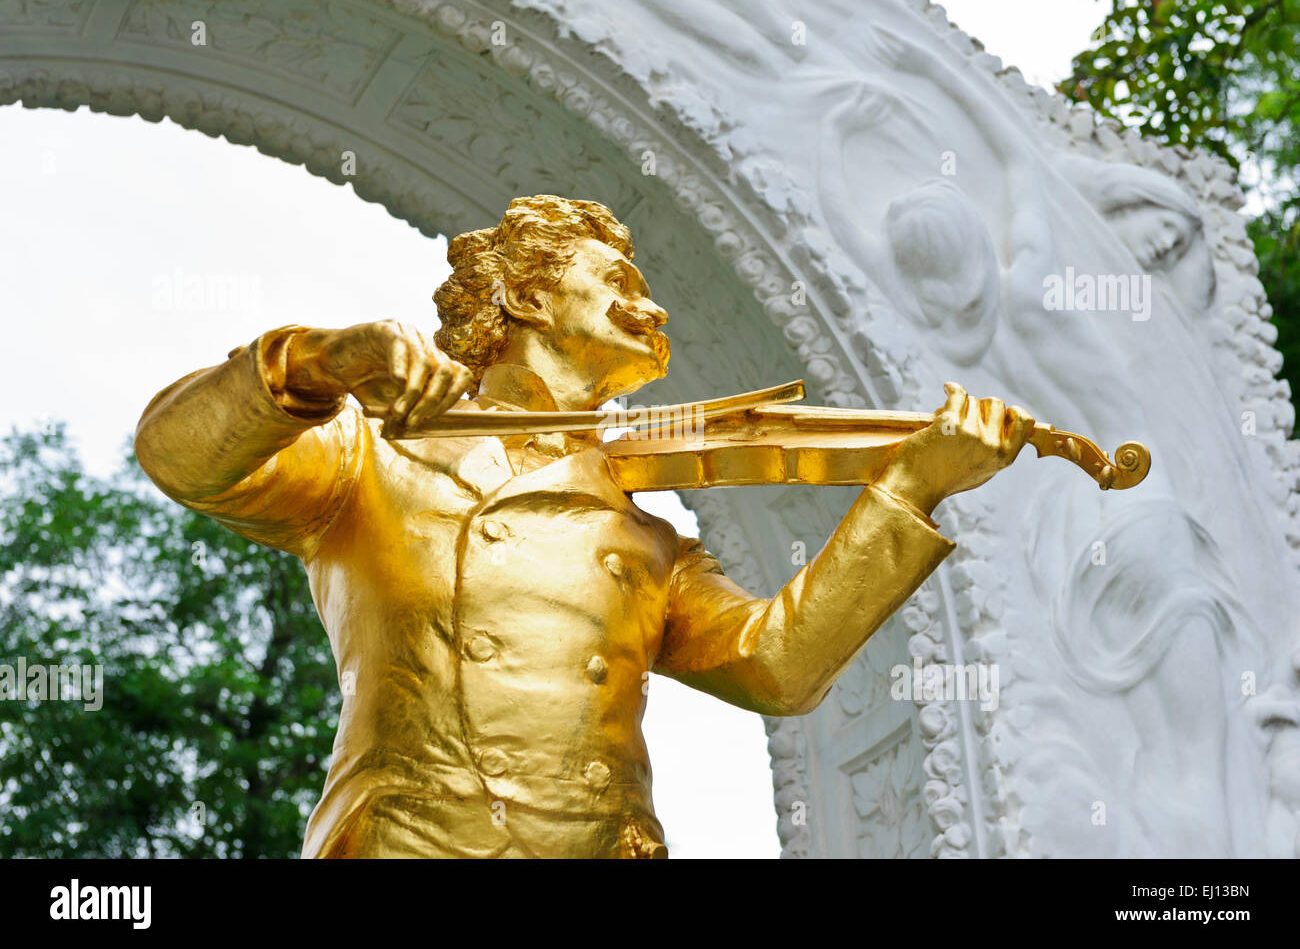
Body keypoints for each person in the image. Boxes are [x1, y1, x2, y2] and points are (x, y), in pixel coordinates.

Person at [134, 194, 1033, 858]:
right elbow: (180, 455)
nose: (652, 307)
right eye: (617, 281)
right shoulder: (371, 459)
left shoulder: (648, 540)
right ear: (525, 298)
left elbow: (779, 664)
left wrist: (911, 486)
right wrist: (320, 359)